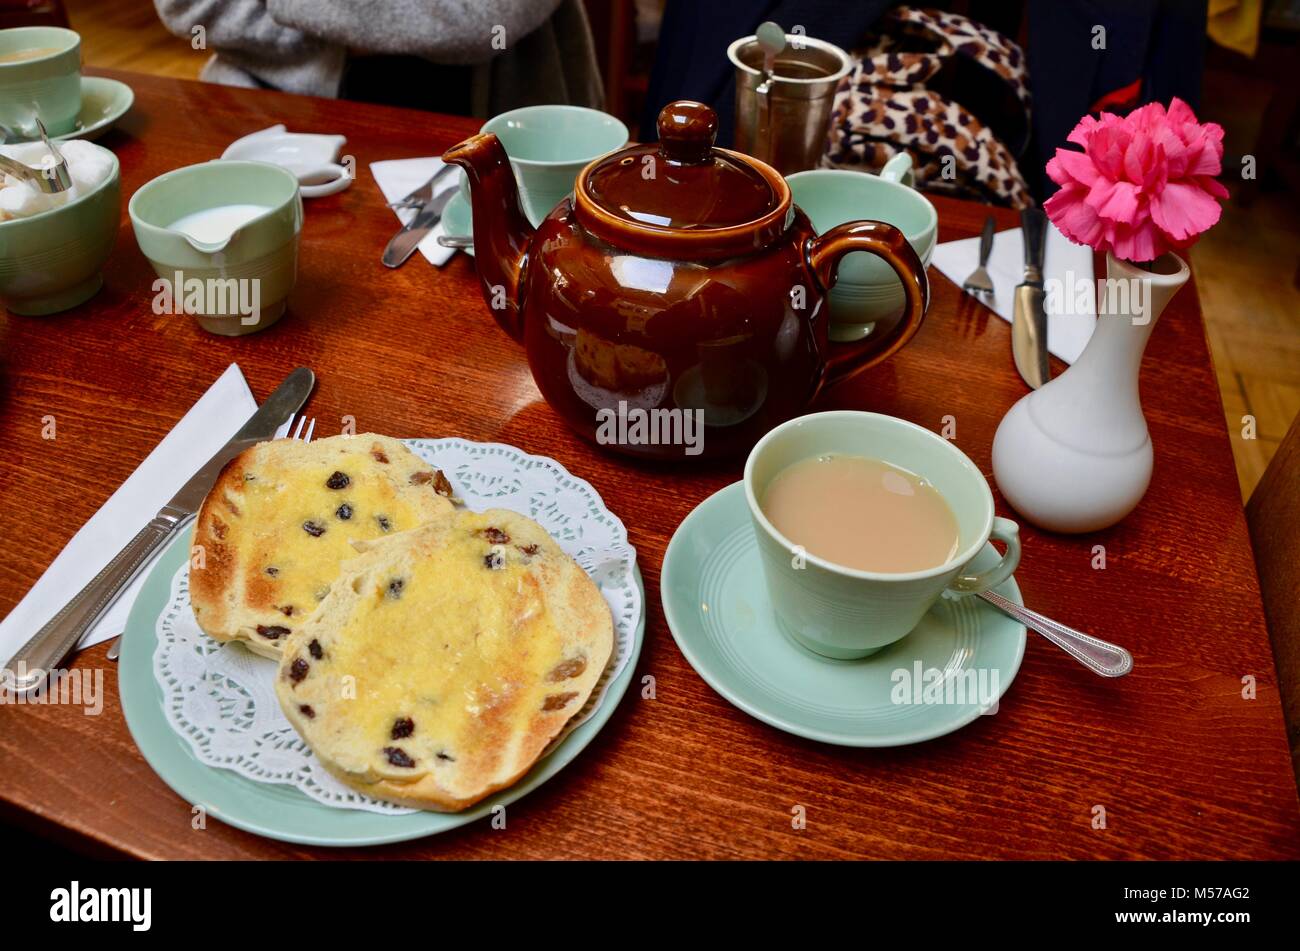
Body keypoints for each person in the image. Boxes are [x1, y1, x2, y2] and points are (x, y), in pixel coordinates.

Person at [153, 0, 603, 117]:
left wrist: (310, 15)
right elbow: (187, 6)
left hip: (493, 133)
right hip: (268, 116)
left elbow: (482, 18)